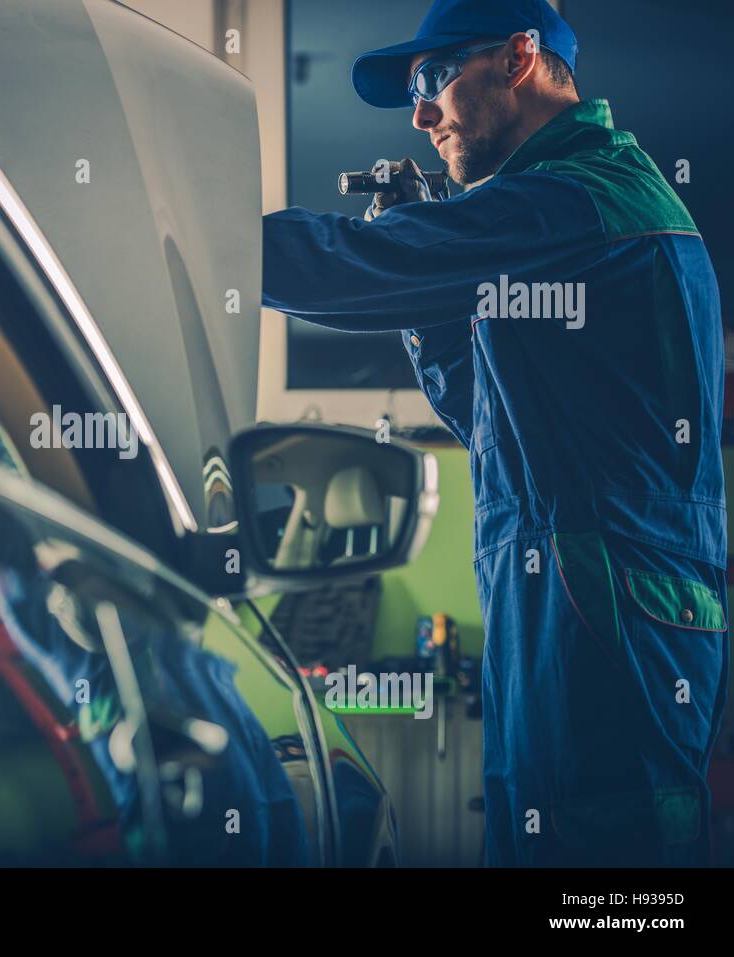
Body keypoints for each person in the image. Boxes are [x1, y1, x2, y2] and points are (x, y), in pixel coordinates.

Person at [262, 0, 728, 865]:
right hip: (561, 591)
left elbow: (344, 267)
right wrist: (433, 268)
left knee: (606, 879)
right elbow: (486, 416)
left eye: (436, 79)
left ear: (519, 58)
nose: (421, 114)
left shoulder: (581, 198)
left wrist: (200, 236)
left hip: (609, 602)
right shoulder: (549, 215)